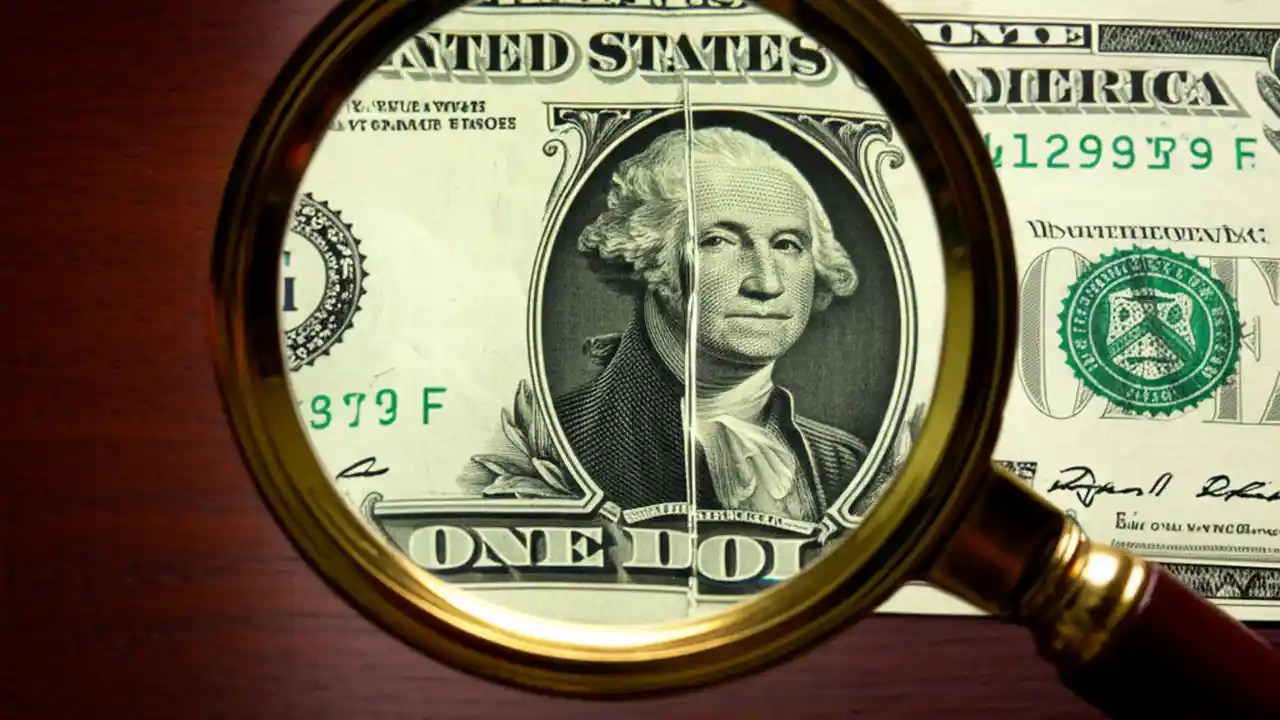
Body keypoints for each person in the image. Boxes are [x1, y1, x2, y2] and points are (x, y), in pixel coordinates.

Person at [544, 126, 866, 522]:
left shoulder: (847, 462)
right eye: (718, 241)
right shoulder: (552, 447)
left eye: (786, 244)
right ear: (651, 257)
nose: (766, 283)